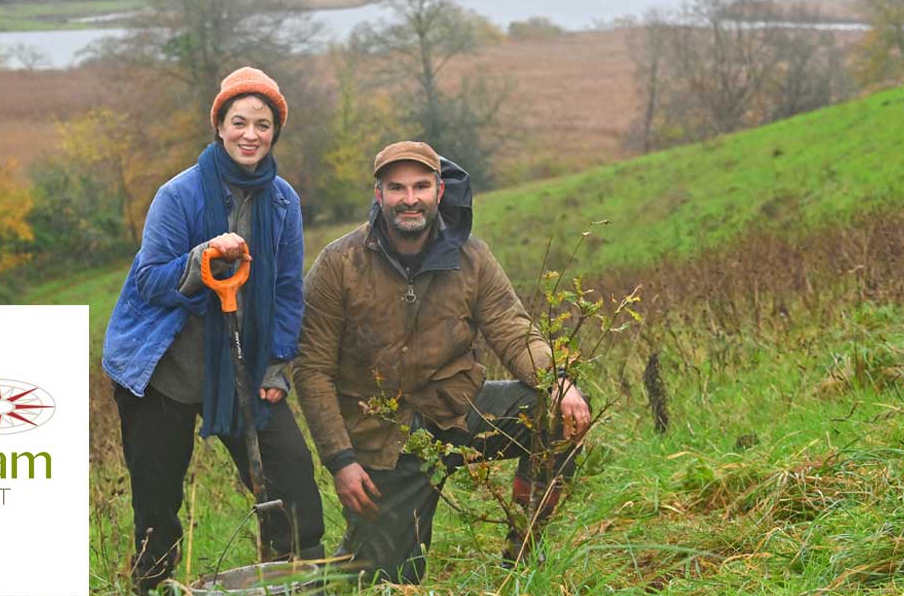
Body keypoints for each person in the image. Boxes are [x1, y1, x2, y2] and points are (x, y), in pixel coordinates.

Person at [293, 140, 592, 584]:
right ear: (379, 196)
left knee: (555, 414)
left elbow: (512, 328)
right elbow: (311, 368)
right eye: (397, 188)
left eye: (420, 186)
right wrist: (341, 461)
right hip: (383, 438)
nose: (409, 199)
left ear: (439, 192)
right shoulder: (340, 263)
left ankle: (523, 551)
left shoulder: (470, 256)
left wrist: (558, 380)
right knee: (384, 578)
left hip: (457, 411)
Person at [102, 67, 323, 594]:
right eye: (239, 121)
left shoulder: (284, 202)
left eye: (263, 125)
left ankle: (294, 579)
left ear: (275, 133)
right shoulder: (178, 195)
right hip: (164, 368)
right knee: (157, 503)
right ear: (219, 126)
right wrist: (202, 258)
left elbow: (289, 289)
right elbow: (151, 280)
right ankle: (153, 584)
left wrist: (276, 365)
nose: (251, 134)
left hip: (241, 366)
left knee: (291, 476)